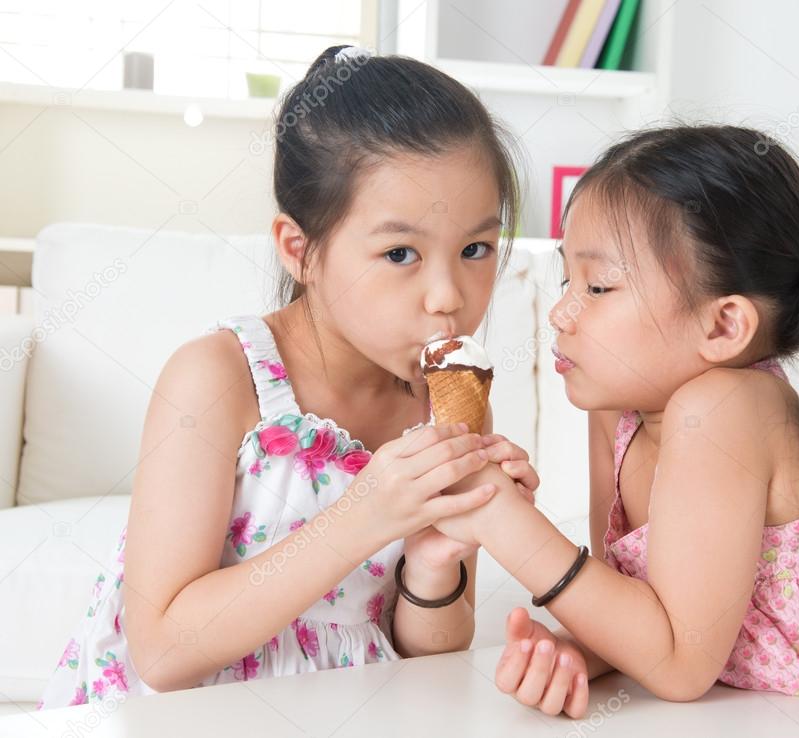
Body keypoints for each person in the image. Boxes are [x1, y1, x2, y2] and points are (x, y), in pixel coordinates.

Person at [438, 125, 799, 736]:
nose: (561, 312)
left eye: (599, 287)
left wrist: (504, 519)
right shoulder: (617, 409)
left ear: (723, 327)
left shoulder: (725, 410)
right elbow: (647, 603)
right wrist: (580, 648)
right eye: (566, 281)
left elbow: (679, 663)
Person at [37, 45, 537, 708]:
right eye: (400, 253)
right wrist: (366, 515)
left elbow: (431, 653)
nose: (448, 295)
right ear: (300, 250)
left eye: (476, 248)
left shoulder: (445, 409)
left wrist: (436, 560)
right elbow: (161, 650)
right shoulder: (217, 379)